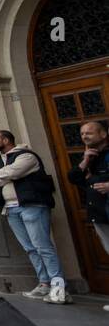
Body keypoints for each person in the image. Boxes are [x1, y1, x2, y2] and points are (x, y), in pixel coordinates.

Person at [0, 129, 64, 303]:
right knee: (30, 248)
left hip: (32, 206)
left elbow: (13, 173)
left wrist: (4, 175)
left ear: (5, 140)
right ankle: (44, 284)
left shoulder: (26, 156)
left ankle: (59, 288)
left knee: (43, 246)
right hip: (11, 209)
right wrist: (5, 175)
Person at [67, 119, 109, 312]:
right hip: (99, 213)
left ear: (103, 134)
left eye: (89, 133)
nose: (85, 136)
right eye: (83, 133)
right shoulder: (92, 157)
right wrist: (85, 160)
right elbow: (73, 178)